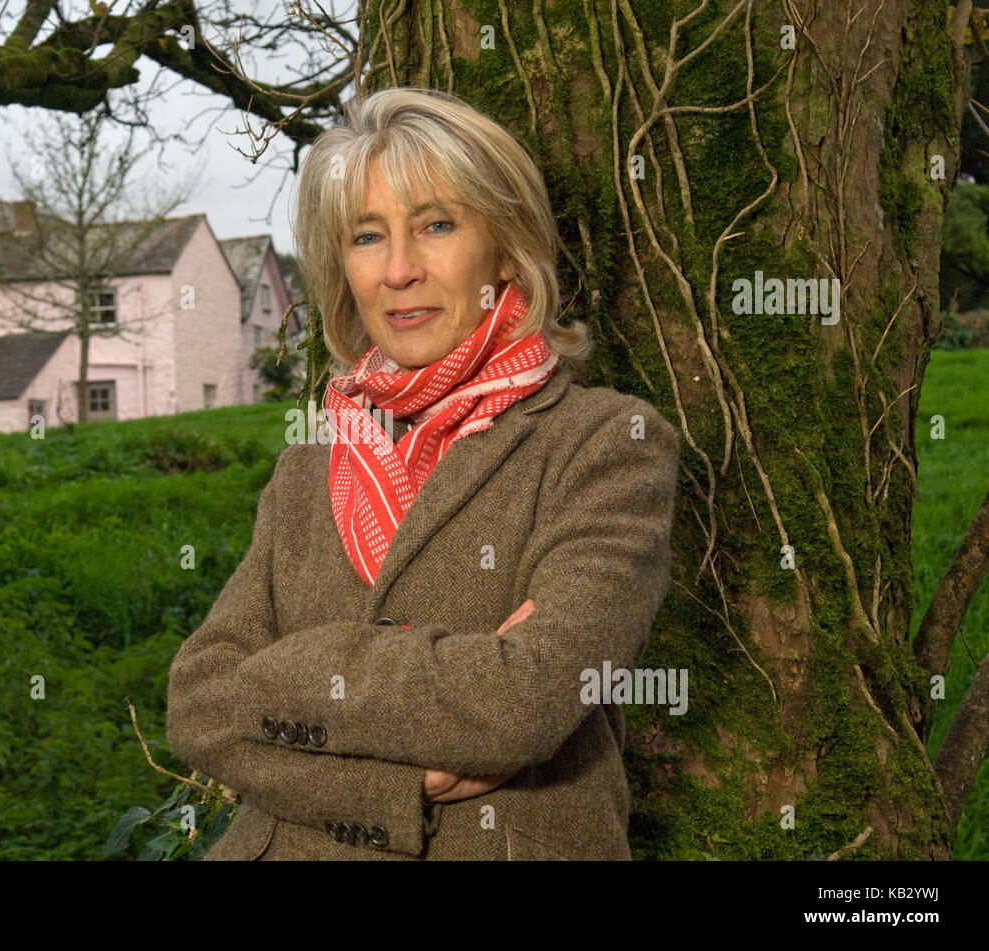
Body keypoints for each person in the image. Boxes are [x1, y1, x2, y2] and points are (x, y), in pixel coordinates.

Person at [165, 85, 680, 860]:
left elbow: (526, 699)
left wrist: (283, 671)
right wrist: (393, 784)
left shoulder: (605, 443)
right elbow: (199, 702)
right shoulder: (310, 462)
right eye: (368, 237)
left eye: (436, 225)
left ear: (505, 246)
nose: (398, 270)